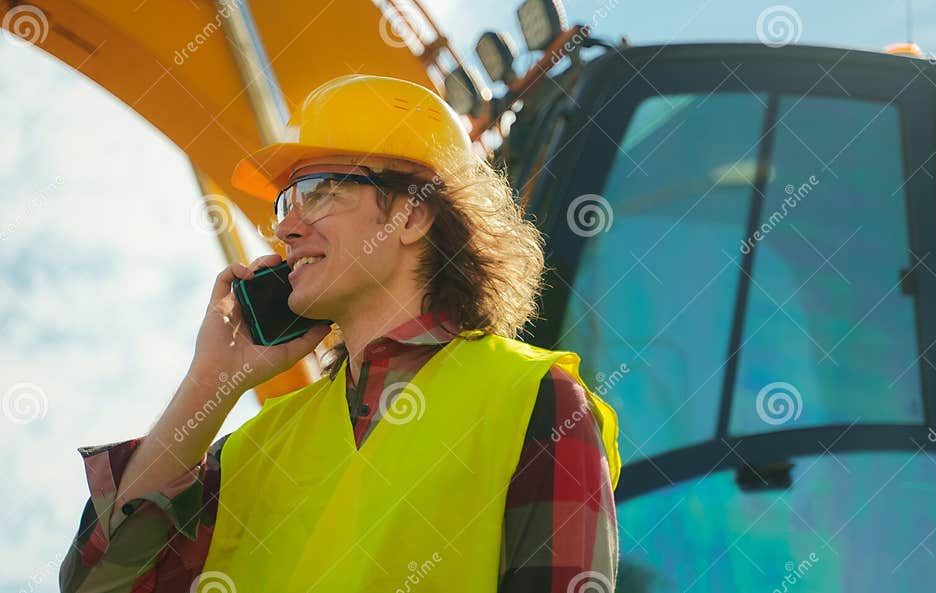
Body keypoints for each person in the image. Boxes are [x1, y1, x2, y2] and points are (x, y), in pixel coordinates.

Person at [59, 74, 621, 593]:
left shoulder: (534, 399)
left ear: (413, 216)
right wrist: (212, 379)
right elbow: (94, 584)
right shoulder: (256, 448)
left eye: (320, 191)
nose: (284, 227)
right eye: (288, 201)